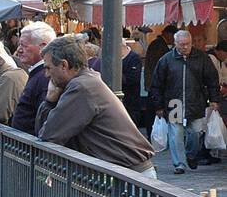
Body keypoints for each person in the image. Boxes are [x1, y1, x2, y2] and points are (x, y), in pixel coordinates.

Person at [37, 36, 156, 176]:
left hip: (130, 176)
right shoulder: (85, 81)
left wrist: (49, 101)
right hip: (127, 172)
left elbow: (48, 134)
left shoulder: (82, 87)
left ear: (64, 65)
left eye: (48, 68)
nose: (46, 74)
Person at [152, 29, 221, 174]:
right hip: (174, 102)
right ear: (175, 44)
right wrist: (158, 105)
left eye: (187, 44)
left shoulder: (202, 58)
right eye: (182, 44)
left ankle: (191, 155)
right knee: (176, 133)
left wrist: (214, 99)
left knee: (195, 132)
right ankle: (179, 164)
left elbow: (212, 80)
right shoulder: (166, 60)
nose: (185, 47)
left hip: (195, 101)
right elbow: (157, 84)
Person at [10, 22, 56, 133]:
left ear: (43, 46)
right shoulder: (39, 73)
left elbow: (43, 117)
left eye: (24, 45)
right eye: (19, 45)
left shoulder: (45, 76)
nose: (19, 50)